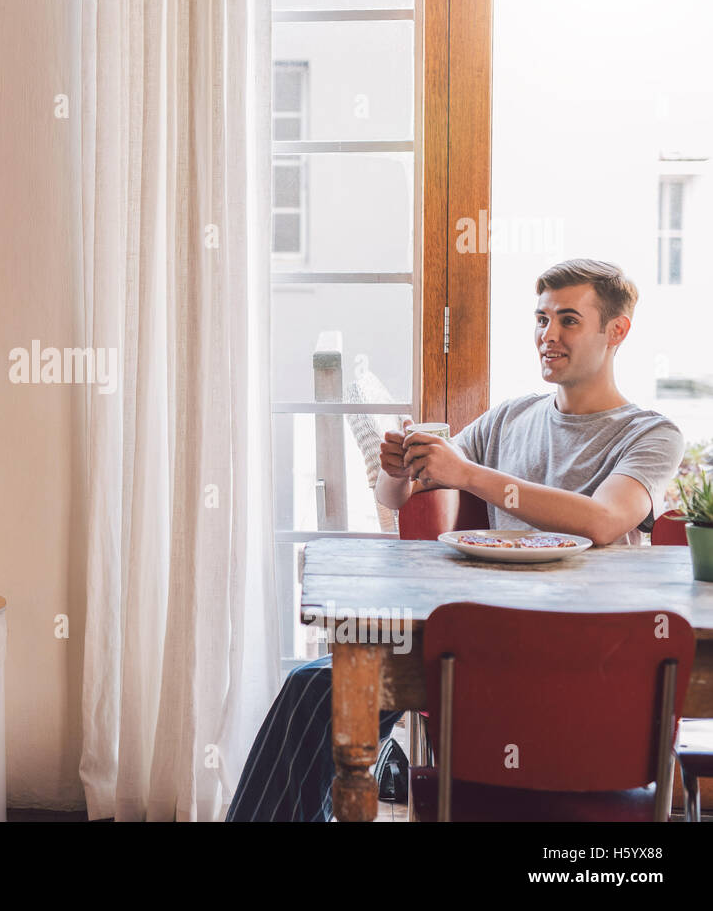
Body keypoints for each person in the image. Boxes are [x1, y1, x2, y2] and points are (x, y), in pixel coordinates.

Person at [226, 258, 685, 821]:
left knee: (320, 687)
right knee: (313, 687)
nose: (548, 336)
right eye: (541, 319)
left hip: (591, 653)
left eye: (569, 320)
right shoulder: (512, 417)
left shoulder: (650, 432)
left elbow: (603, 521)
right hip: (487, 635)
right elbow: (398, 497)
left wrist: (466, 472)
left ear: (617, 332)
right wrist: (401, 466)